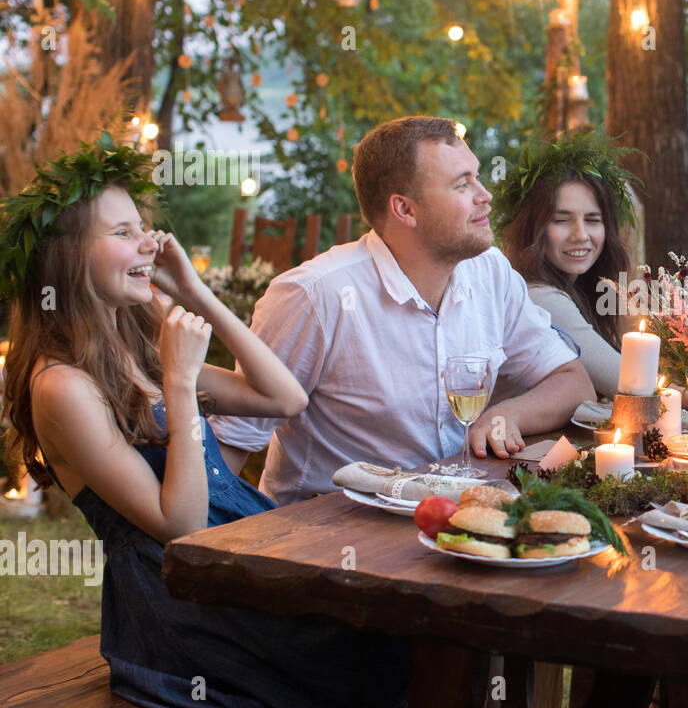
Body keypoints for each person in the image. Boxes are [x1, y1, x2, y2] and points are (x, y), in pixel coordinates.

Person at [1, 137, 411, 708]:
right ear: (65, 259)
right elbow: (183, 526)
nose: (146, 241)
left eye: (142, 225)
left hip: (240, 556)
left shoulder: (137, 351)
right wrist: (179, 381)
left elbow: (283, 398)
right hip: (183, 597)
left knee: (397, 630)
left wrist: (196, 295)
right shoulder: (62, 387)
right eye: (121, 233)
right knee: (374, 649)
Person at [209, 116, 595, 506]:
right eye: (463, 184)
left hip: (449, 520)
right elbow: (230, 447)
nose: (485, 195)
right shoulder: (314, 296)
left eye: (477, 177)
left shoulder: (489, 271)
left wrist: (510, 413)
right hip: (329, 537)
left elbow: (573, 382)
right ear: (404, 209)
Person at [494, 131, 637, 400]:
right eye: (561, 220)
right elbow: (626, 381)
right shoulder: (538, 295)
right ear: (534, 229)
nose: (580, 234)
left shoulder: (584, 289)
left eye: (593, 220)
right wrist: (686, 394)